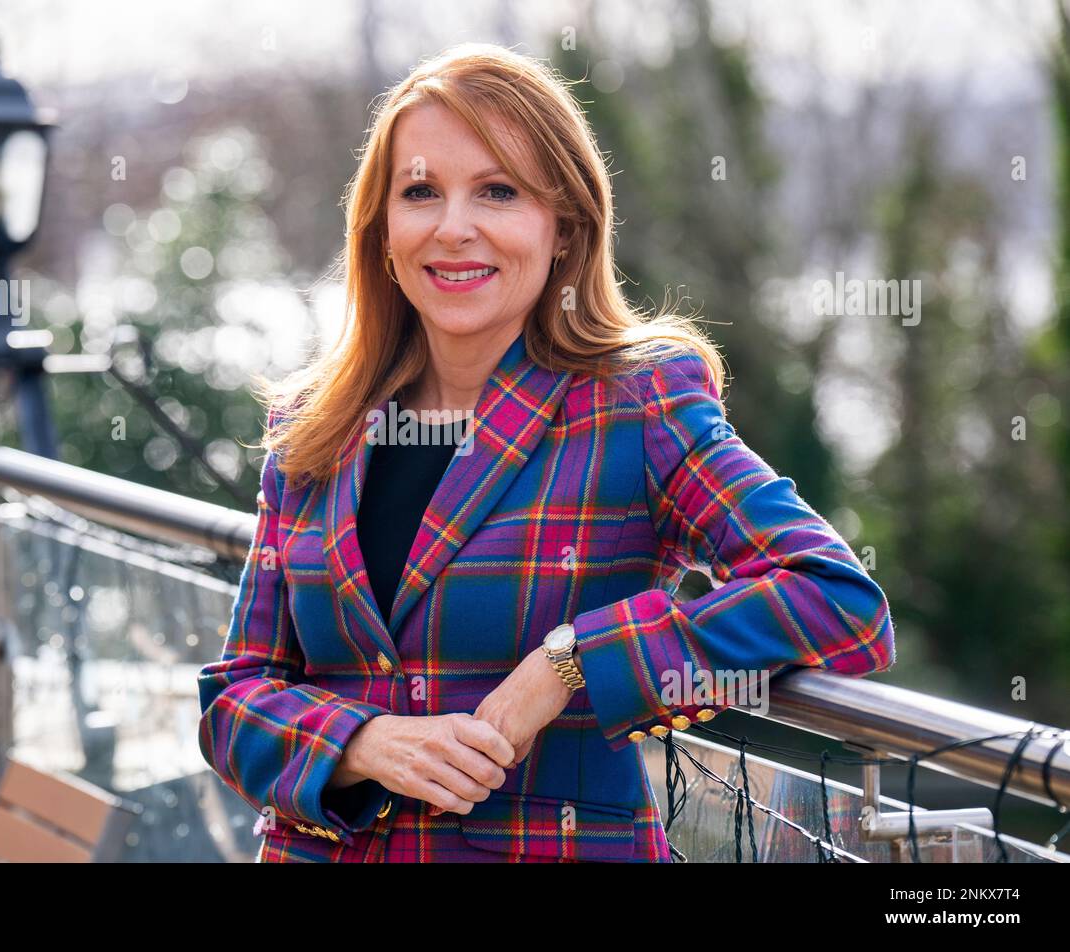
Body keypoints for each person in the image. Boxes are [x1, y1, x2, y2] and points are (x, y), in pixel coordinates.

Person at [197, 42, 896, 863]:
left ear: (563, 227)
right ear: (382, 231)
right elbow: (235, 699)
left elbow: (837, 601)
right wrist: (362, 743)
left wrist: (568, 665)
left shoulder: (639, 404)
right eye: (421, 192)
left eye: (498, 191)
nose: (454, 228)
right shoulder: (315, 429)